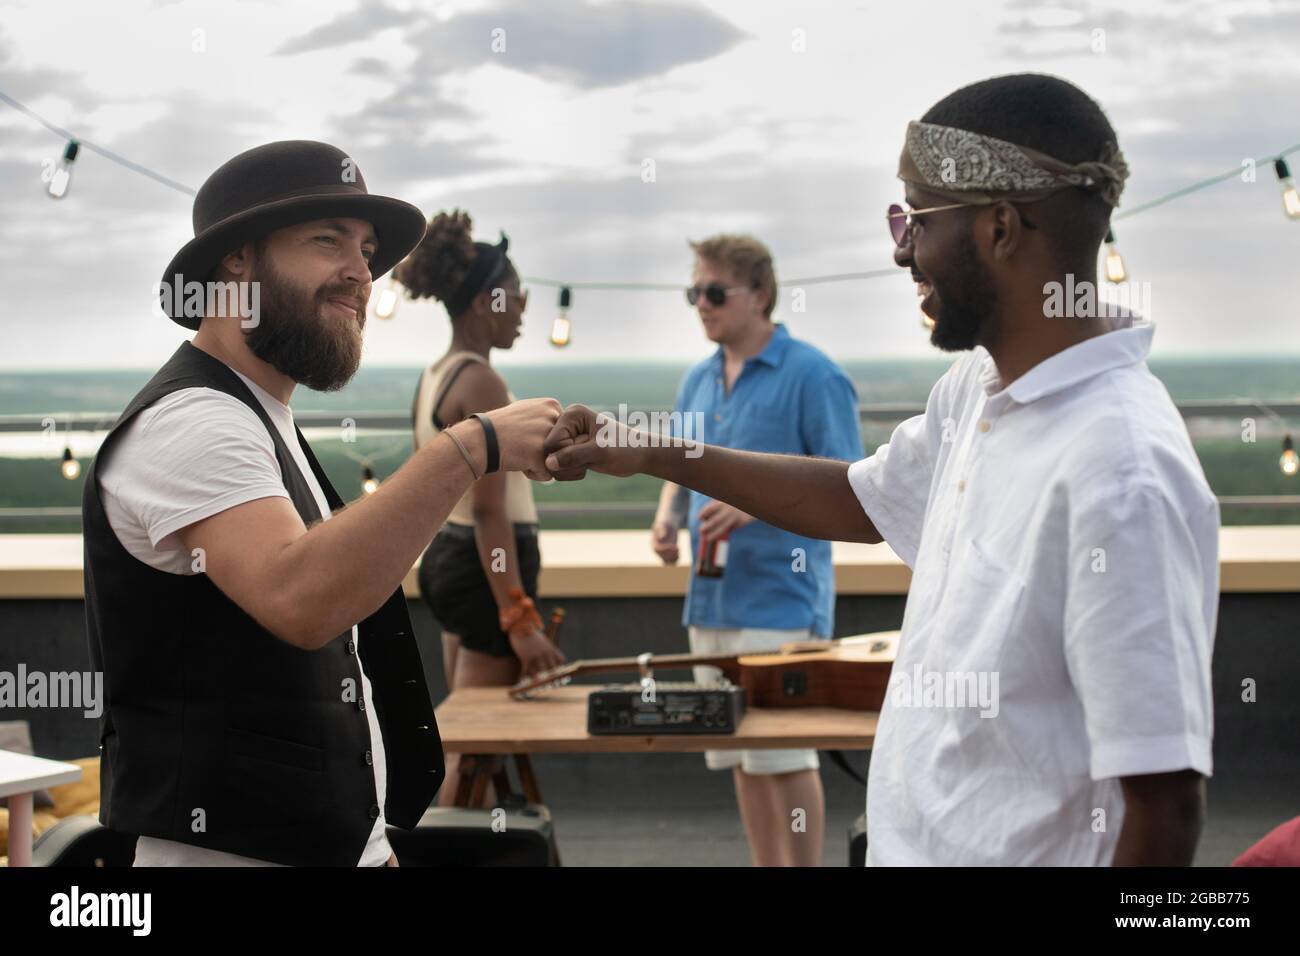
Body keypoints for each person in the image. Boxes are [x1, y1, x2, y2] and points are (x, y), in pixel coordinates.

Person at [542, 75, 1218, 866]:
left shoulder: (1121, 472)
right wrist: (655, 450)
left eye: (916, 219)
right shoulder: (979, 388)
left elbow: (1165, 807)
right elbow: (859, 502)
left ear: (1000, 228)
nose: (901, 249)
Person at [85, 140, 560, 866]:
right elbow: (301, 596)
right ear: (236, 260)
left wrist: (373, 846)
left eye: (366, 250)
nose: (360, 273)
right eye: (326, 241)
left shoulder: (255, 417)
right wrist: (470, 447)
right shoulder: (194, 421)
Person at [650, 234, 863, 866]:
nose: (702, 305)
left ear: (761, 294)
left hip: (781, 600)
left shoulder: (815, 375)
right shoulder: (698, 380)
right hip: (710, 600)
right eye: (695, 292)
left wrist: (756, 504)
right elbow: (680, 465)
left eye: (715, 292)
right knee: (741, 750)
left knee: (785, 754)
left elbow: (851, 479)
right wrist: (666, 518)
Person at [397, 210, 564, 806]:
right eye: (516, 294)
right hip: (487, 566)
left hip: (450, 558)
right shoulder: (485, 386)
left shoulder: (435, 376)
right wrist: (518, 618)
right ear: (483, 302)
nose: (522, 307)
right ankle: (435, 846)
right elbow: (492, 513)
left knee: (463, 728)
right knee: (465, 749)